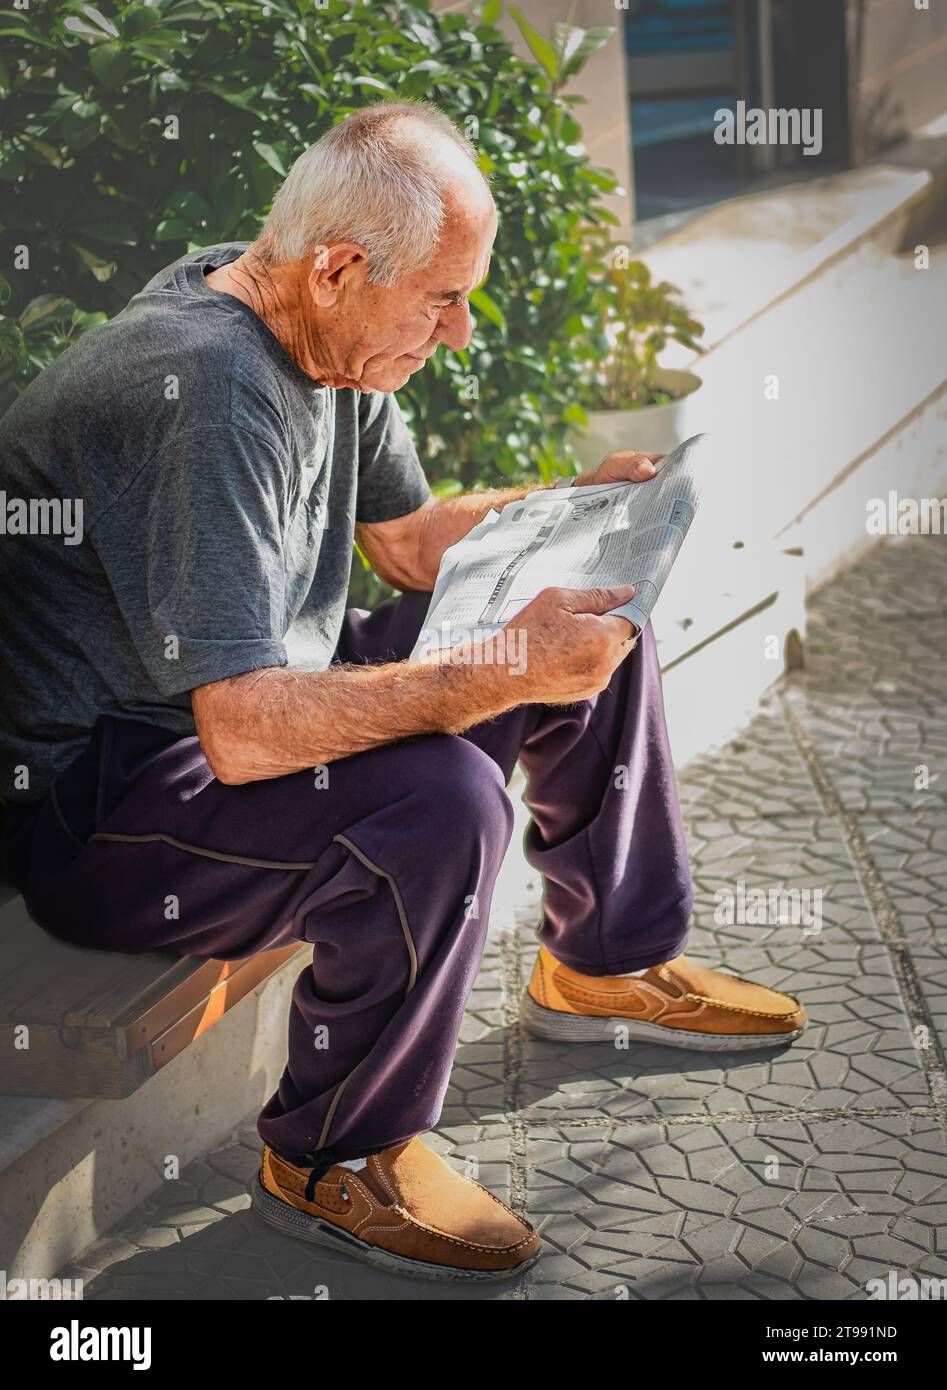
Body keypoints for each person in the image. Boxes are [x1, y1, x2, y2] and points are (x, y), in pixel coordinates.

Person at [0, 102, 805, 1283]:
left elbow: (414, 543)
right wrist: (497, 671)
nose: (462, 331)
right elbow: (240, 726)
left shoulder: (311, 319)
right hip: (100, 801)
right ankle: (337, 1154)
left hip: (224, 721)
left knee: (572, 597)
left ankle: (607, 960)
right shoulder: (209, 392)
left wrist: (568, 516)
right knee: (435, 806)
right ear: (336, 266)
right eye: (443, 297)